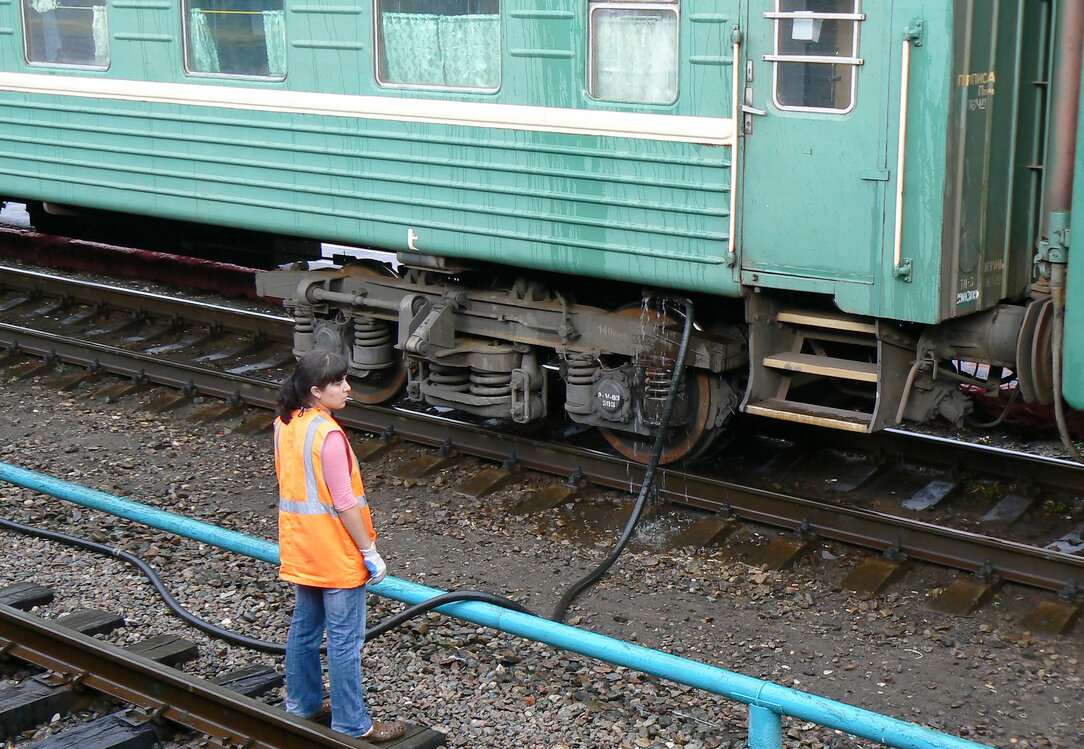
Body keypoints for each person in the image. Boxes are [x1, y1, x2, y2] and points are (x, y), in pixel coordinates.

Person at [274, 350, 405, 742]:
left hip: (301, 546)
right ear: (316, 391)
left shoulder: (285, 424)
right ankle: (353, 724)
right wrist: (369, 551)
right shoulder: (328, 434)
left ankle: (302, 706)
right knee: (345, 642)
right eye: (338, 383)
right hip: (336, 553)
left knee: (304, 630)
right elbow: (345, 502)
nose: (347, 388)